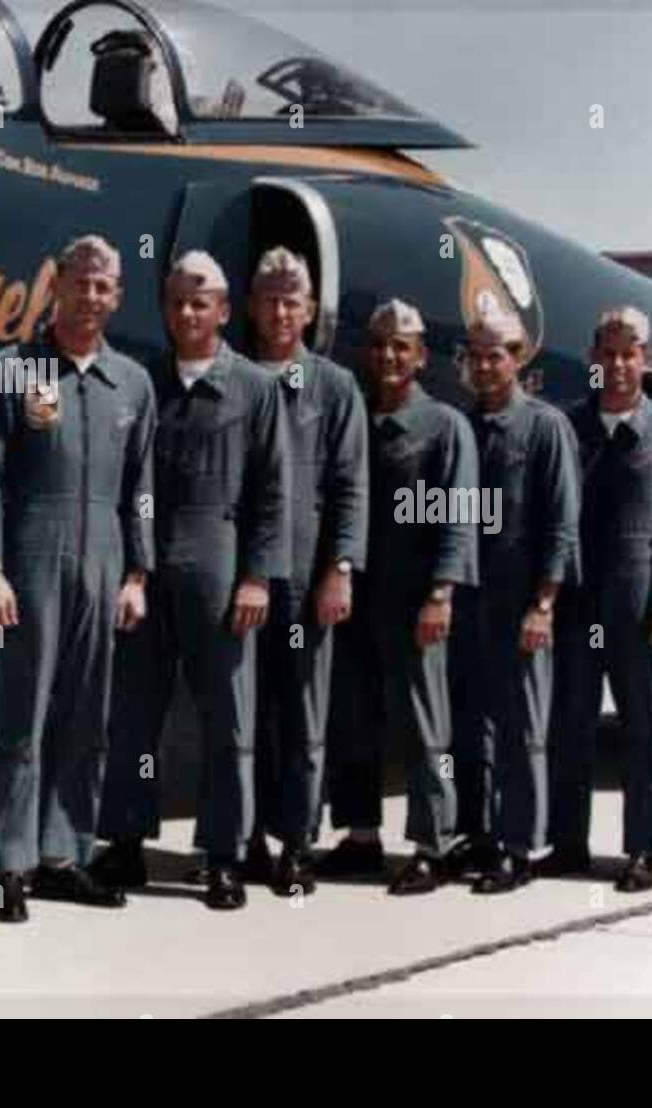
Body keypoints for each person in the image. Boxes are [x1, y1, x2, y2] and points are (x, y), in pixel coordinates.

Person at [0, 235, 155, 923]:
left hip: (104, 559)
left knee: (86, 719)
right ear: (56, 284)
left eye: (106, 287)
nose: (92, 296)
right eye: (82, 282)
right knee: (23, 717)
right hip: (31, 556)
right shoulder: (10, 369)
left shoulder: (133, 383)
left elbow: (141, 489)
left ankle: (62, 857)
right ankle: (7, 868)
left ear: (117, 297)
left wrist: (136, 573)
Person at [93, 251, 289, 911]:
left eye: (200, 301)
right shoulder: (144, 384)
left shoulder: (258, 390)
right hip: (148, 569)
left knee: (228, 719)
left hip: (221, 566)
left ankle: (225, 856)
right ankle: (123, 840)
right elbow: (131, 488)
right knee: (132, 714)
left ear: (224, 311)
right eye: (177, 301)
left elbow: (272, 493)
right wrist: (133, 569)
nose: (186, 312)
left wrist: (258, 576)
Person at [549, 306, 652, 891]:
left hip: (642, 613)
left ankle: (646, 849)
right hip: (578, 607)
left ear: (646, 359)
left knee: (646, 733)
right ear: (594, 357)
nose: (617, 364)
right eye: (608, 353)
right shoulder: (568, 428)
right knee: (569, 725)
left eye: (629, 353)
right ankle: (567, 841)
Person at [326, 298, 480, 895]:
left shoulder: (444, 426)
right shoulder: (356, 419)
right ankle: (361, 835)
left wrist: (441, 592)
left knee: (424, 725)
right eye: (380, 344)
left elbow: (459, 521)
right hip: (359, 594)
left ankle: (431, 844)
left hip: (417, 599)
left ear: (420, 357)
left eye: (402, 346)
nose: (389, 356)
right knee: (354, 717)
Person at [246, 246, 368, 895]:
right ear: (250, 305)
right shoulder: (234, 376)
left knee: (303, 715)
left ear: (311, 309)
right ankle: (246, 838)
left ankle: (297, 841)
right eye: (269, 298)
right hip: (246, 580)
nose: (281, 311)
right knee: (245, 716)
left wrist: (340, 568)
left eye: (293, 300)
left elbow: (350, 486)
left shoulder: (334, 386)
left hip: (306, 576)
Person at [452, 312, 580, 893]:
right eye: (475, 355)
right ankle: (476, 833)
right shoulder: (461, 427)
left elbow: (561, 522)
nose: (484, 365)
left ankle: (518, 845)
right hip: (471, 597)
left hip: (522, 597)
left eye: (495, 354)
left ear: (519, 356)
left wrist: (545, 603)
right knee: (470, 724)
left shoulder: (546, 427)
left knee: (522, 725)